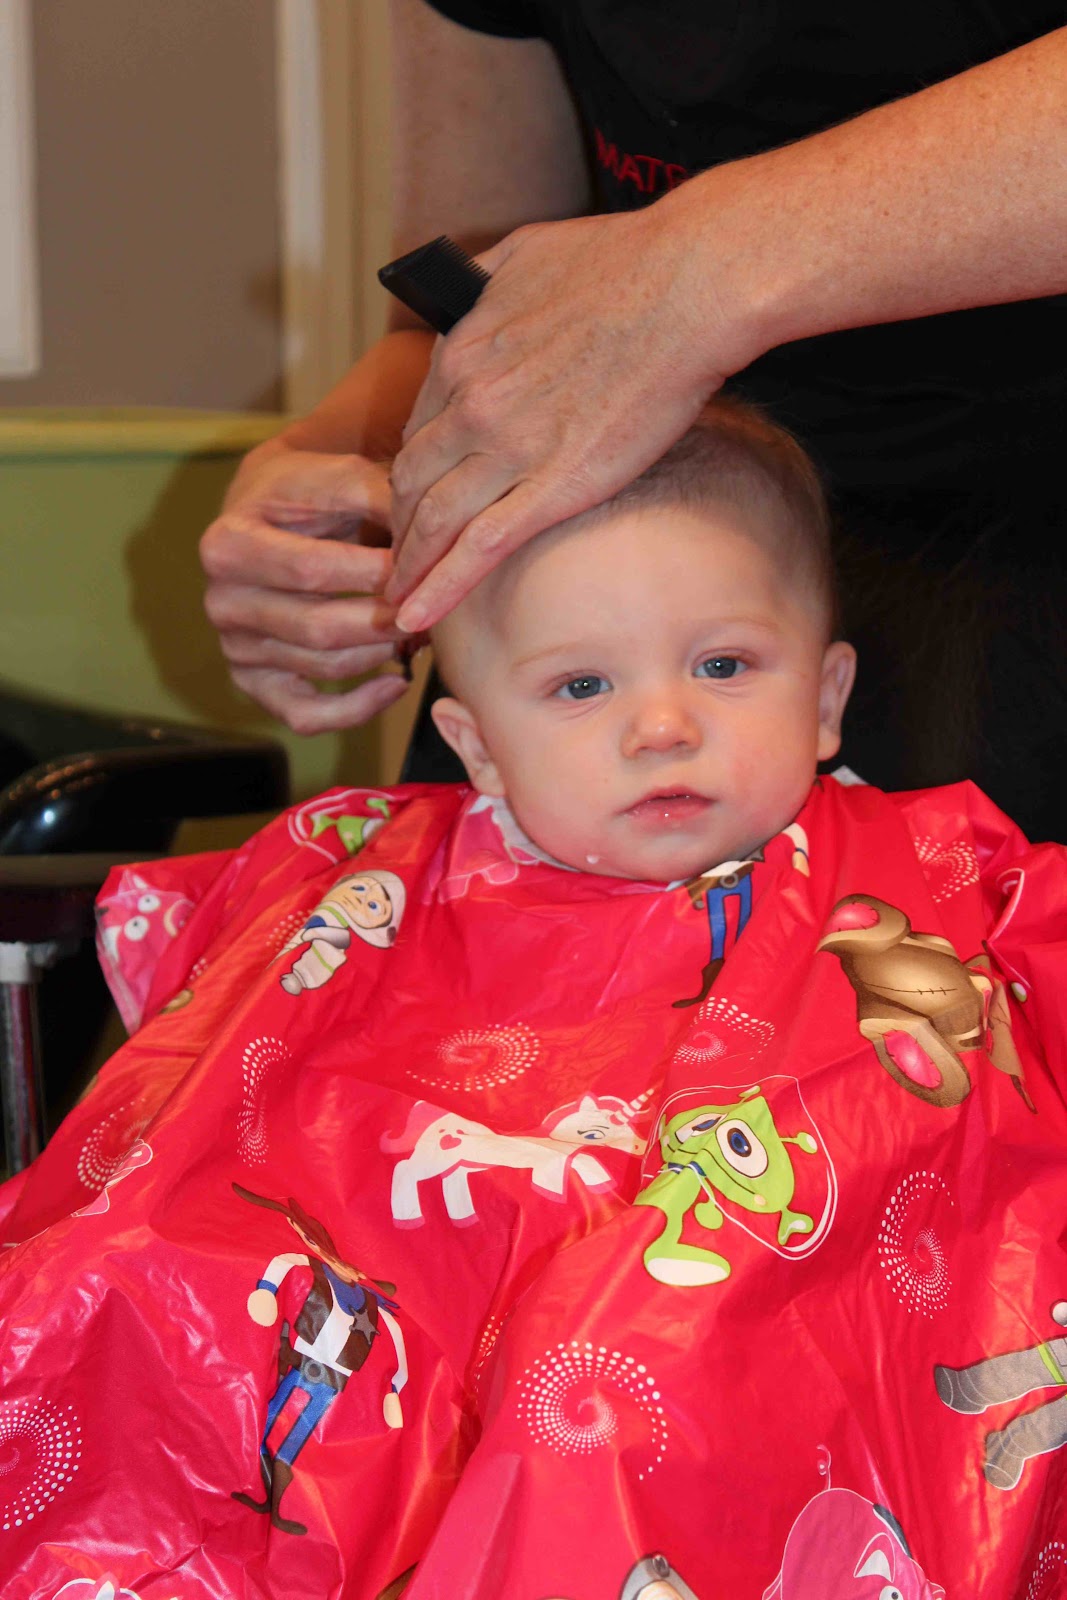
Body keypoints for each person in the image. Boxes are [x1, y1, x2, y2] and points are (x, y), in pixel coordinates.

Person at [1, 400, 1064, 1599]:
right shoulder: (373, 879)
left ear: (824, 698)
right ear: (476, 746)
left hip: (770, 1351)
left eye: (722, 665)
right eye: (579, 685)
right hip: (383, 1327)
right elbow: (228, 1094)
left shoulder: (937, 866)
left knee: (598, 1368)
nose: (661, 725)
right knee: (128, 1278)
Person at [200, 2, 1067, 842]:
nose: (660, 731)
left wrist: (695, 272)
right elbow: (465, 317)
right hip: (586, 578)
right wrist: (332, 469)